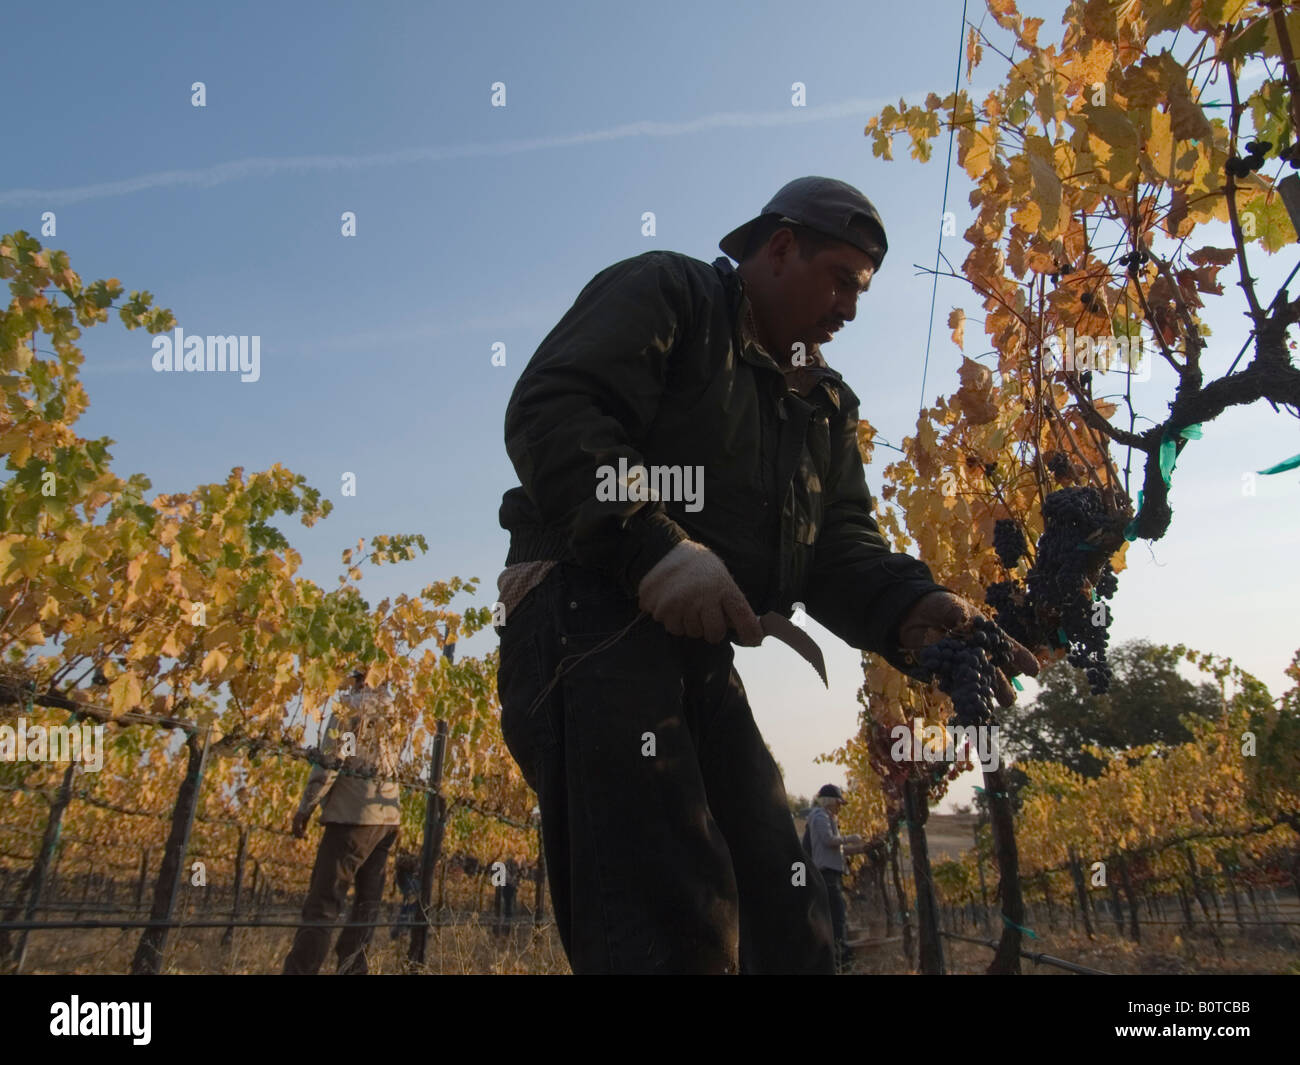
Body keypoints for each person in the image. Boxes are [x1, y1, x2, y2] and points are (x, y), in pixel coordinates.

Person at [495, 176, 1037, 975]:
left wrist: (908, 605)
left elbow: (839, 546)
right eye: (843, 280)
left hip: (695, 644)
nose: (851, 308)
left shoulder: (822, 405)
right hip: (587, 611)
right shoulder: (672, 293)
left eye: (862, 292)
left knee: (787, 909)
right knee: (669, 914)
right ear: (781, 247)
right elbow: (555, 408)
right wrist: (652, 544)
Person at [282, 670, 402, 975]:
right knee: (366, 907)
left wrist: (305, 807)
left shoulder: (350, 709)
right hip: (388, 819)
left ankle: (300, 971)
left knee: (323, 904)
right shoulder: (395, 710)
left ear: (358, 677)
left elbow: (333, 760)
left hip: (353, 816)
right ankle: (353, 970)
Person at [805, 784, 866, 971]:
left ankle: (837, 956)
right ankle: (841, 957)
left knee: (836, 915)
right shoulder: (820, 817)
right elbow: (829, 841)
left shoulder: (827, 818)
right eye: (839, 803)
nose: (840, 807)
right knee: (837, 915)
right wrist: (851, 838)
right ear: (830, 802)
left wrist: (862, 848)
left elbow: (836, 849)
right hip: (826, 876)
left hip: (832, 875)